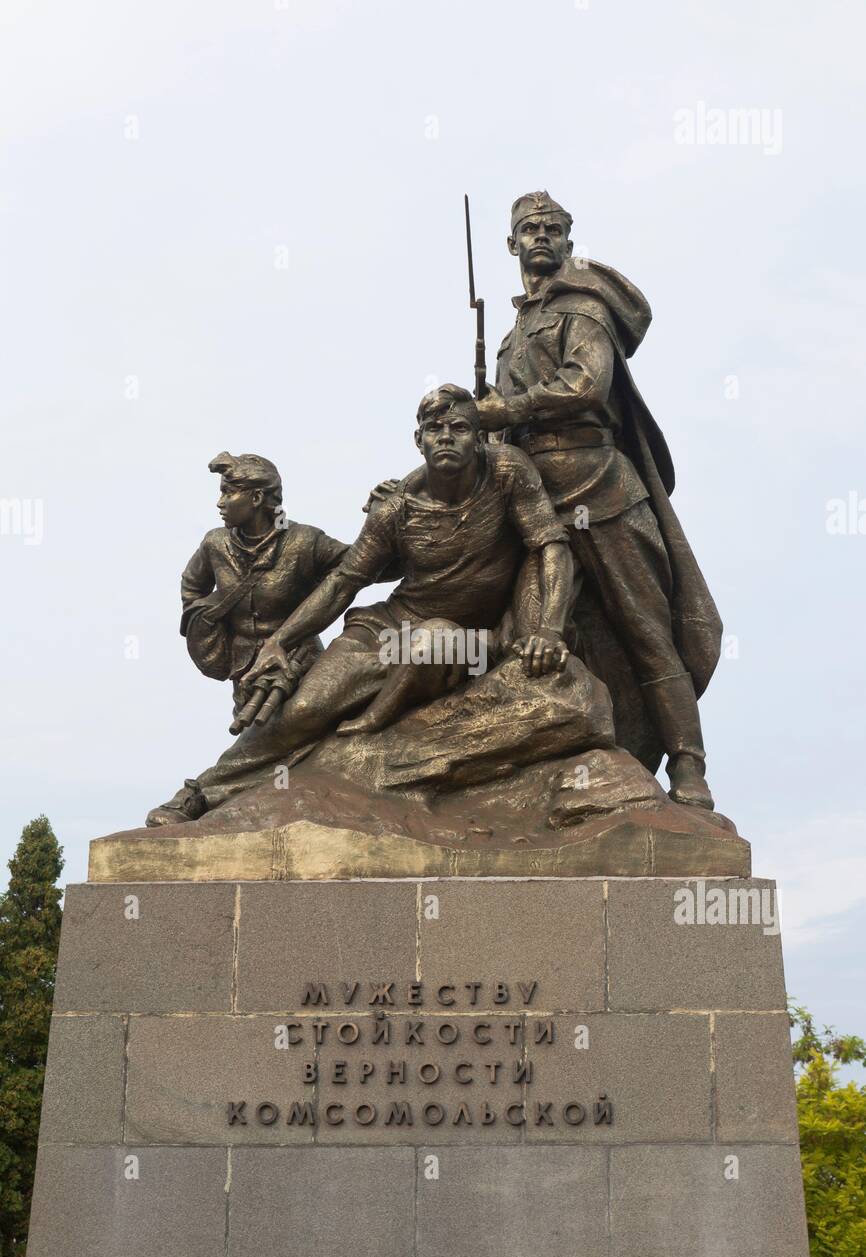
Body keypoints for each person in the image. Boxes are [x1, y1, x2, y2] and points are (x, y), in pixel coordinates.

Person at [145, 385, 572, 825]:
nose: (446, 437)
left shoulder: (507, 472)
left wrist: (548, 630)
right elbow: (345, 580)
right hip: (386, 628)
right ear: (418, 439)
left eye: (460, 427)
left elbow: (551, 545)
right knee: (305, 709)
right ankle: (198, 795)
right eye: (434, 429)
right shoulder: (395, 507)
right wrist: (280, 641)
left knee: (432, 641)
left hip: (473, 640)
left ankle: (367, 725)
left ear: (479, 435)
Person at [472, 191, 721, 810]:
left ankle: (689, 770)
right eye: (528, 229)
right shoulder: (510, 337)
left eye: (552, 228)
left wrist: (511, 407)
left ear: (568, 240)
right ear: (511, 244)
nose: (540, 237)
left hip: (598, 482)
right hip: (531, 496)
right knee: (528, 634)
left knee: (645, 629)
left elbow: (587, 383)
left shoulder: (582, 308)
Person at [146, 450, 347, 824]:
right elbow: (192, 588)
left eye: (229, 493)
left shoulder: (304, 541)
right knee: (262, 745)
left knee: (275, 741)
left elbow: (359, 567)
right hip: (245, 670)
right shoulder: (215, 544)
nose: (220, 502)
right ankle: (246, 812)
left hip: (298, 666)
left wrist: (389, 509)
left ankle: (193, 798)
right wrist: (211, 623)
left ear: (256, 498)